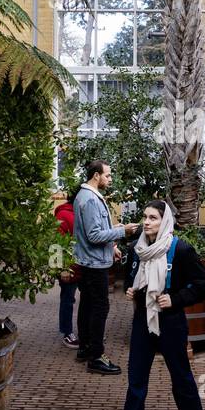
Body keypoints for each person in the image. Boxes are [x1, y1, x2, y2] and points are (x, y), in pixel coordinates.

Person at [102, 199, 205, 410]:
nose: (147, 222)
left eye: (153, 218)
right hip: (142, 322)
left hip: (171, 323)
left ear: (165, 222)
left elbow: (203, 285)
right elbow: (132, 277)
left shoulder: (180, 250)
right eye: (145, 217)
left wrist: (176, 298)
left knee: (180, 376)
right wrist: (130, 290)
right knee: (136, 383)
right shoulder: (139, 249)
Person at [73, 160, 140, 374]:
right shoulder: (91, 199)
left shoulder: (84, 196)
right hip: (95, 264)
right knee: (100, 308)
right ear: (96, 176)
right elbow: (93, 236)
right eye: (108, 176)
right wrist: (123, 232)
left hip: (88, 260)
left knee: (87, 306)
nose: (110, 179)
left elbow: (94, 230)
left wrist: (111, 243)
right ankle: (96, 357)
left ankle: (84, 349)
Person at [54, 185, 81, 348]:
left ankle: (88, 331)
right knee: (67, 299)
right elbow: (56, 243)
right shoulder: (64, 215)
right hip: (70, 267)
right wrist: (61, 268)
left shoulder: (83, 212)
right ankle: (67, 333)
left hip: (86, 265)